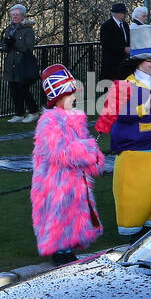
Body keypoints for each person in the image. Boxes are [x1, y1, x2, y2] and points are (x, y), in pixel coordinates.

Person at [94, 25, 151, 237]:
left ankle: (150, 231)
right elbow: (116, 112)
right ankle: (134, 237)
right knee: (138, 197)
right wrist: (144, 108)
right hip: (139, 154)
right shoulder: (125, 85)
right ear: (138, 61)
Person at [31, 63, 104, 265]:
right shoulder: (50, 121)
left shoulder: (75, 119)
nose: (74, 98)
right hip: (56, 184)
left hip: (74, 183)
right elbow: (62, 152)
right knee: (59, 215)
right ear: (59, 96)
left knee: (74, 214)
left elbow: (83, 148)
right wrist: (89, 150)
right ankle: (60, 251)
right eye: (70, 94)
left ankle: (68, 248)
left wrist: (94, 158)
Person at [2, 4, 39, 123]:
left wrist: (15, 43)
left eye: (17, 14)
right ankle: (19, 113)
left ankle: (33, 112)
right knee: (13, 89)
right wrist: (7, 45)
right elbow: (5, 47)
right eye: (13, 14)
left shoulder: (28, 30)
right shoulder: (9, 28)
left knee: (23, 89)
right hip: (10, 63)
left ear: (23, 16)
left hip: (23, 64)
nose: (14, 17)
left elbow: (28, 48)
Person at [98, 2, 132, 83]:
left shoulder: (125, 25)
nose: (124, 15)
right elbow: (106, 44)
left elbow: (127, 40)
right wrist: (123, 49)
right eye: (123, 13)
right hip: (111, 64)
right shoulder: (107, 26)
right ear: (116, 14)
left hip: (124, 63)